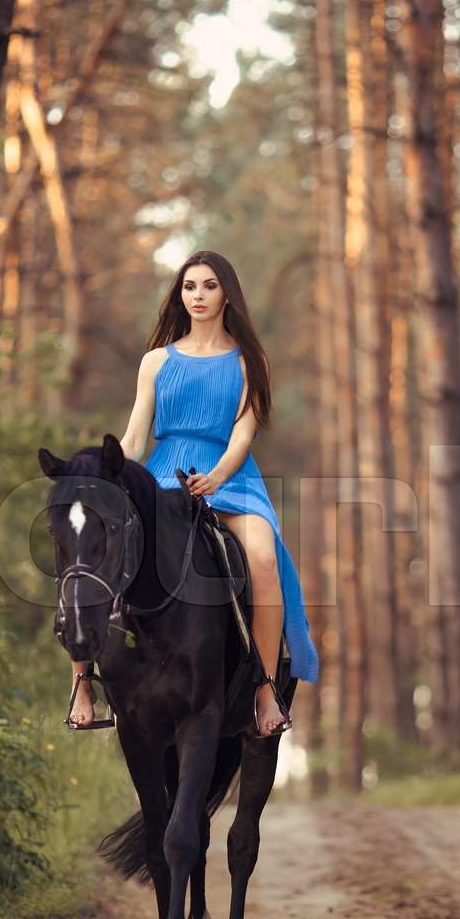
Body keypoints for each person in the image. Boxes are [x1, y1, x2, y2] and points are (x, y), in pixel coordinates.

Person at [66, 250, 320, 738]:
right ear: (179, 295)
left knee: (264, 559)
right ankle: (82, 681)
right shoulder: (156, 361)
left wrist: (219, 476)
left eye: (208, 286)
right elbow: (137, 436)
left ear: (227, 293)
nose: (198, 296)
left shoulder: (250, 362)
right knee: (97, 552)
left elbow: (244, 434)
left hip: (234, 479)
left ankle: (266, 687)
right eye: (189, 287)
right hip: (165, 475)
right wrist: (109, 475)